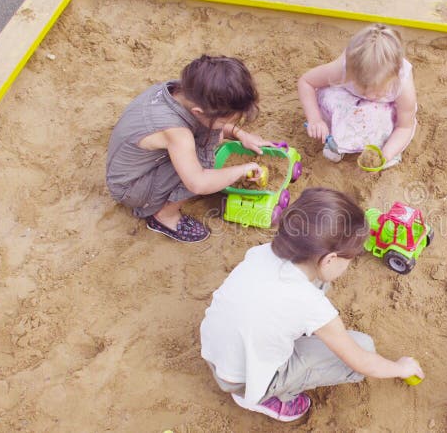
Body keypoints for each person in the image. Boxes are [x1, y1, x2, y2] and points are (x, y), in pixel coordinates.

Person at [200, 188, 424, 422]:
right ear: (330, 259)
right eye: (350, 258)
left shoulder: (260, 253)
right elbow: (362, 361)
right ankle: (268, 397)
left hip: (217, 349)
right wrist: (401, 368)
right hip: (243, 378)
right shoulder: (310, 305)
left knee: (315, 287)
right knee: (365, 346)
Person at [106, 55, 272, 243]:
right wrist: (243, 169)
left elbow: (207, 121)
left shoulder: (187, 91)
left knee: (211, 133)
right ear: (198, 112)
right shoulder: (177, 133)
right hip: (130, 187)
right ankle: (164, 216)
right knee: (205, 152)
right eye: (227, 122)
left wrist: (241, 135)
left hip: (133, 165)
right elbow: (197, 183)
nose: (231, 125)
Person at [298, 24, 417, 168]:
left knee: (381, 119)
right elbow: (306, 82)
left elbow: (404, 126)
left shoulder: (402, 85)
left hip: (382, 111)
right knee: (327, 97)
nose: (369, 95)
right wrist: (315, 119)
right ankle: (337, 140)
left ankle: (388, 148)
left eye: (378, 92)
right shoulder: (343, 68)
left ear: (394, 77)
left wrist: (385, 155)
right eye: (362, 88)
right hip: (349, 100)